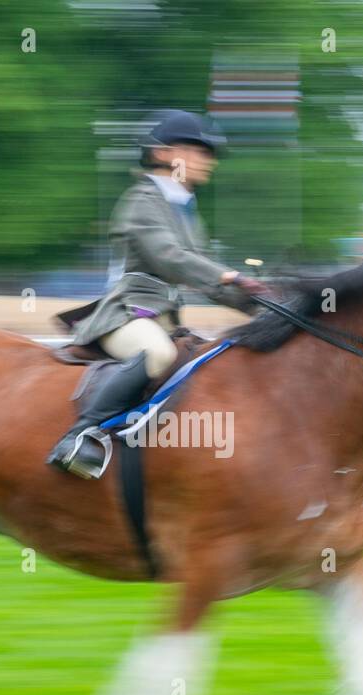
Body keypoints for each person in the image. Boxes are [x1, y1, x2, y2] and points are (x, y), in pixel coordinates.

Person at [47, 109, 269, 478]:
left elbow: (204, 274)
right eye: (199, 150)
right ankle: (80, 437)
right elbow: (172, 258)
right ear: (164, 153)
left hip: (162, 318)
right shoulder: (142, 201)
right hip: (126, 315)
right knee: (157, 354)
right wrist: (230, 275)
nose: (208, 160)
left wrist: (261, 304)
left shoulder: (184, 210)